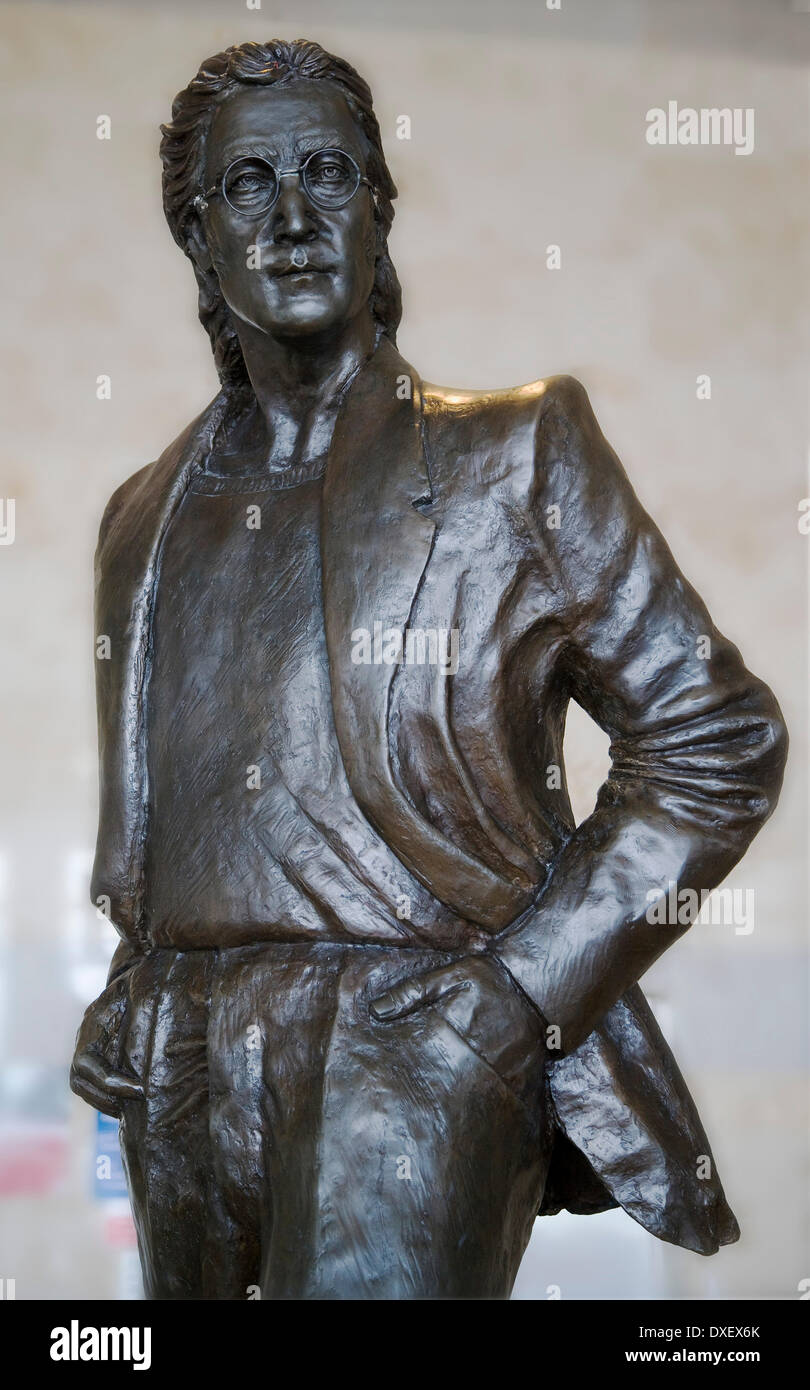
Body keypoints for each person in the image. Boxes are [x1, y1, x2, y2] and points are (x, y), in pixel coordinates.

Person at [71, 38, 787, 1300]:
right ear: (197, 234)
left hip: (405, 1046)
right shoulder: (143, 513)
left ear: (378, 212)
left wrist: (519, 996)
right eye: (248, 187)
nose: (292, 219)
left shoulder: (516, 454)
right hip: (179, 1064)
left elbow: (715, 735)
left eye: (330, 175)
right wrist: (137, 990)